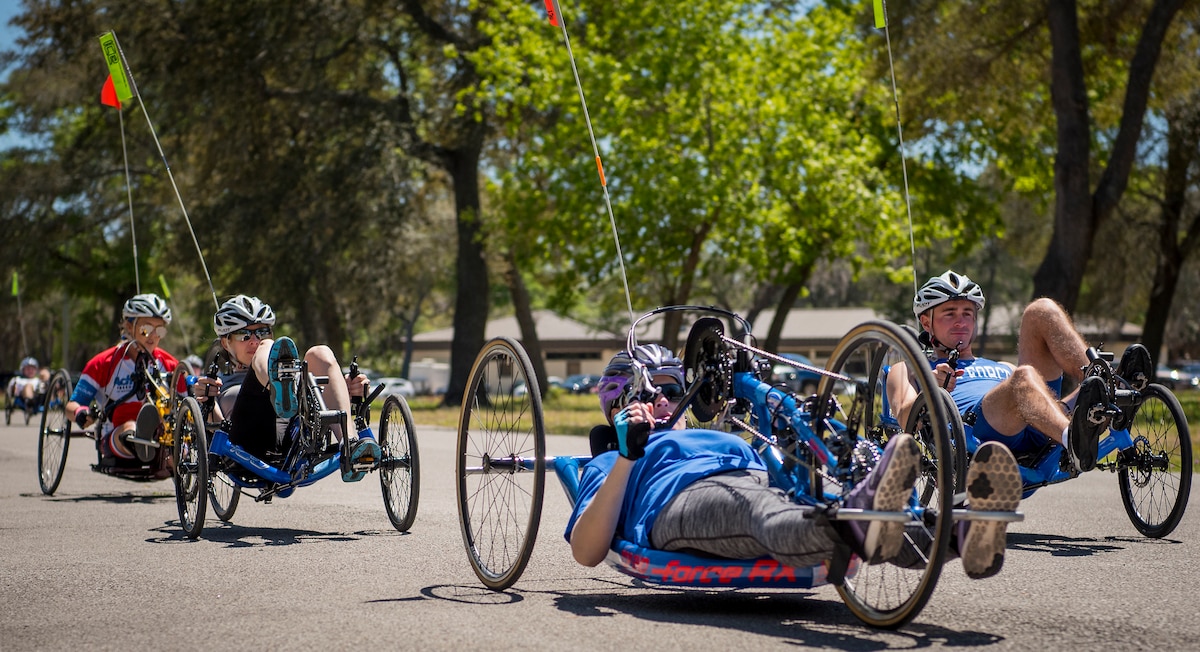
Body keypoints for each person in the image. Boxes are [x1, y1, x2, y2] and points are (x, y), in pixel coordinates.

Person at [566, 344, 1023, 581]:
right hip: (677, 501)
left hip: (752, 477)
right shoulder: (609, 462)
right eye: (650, 394)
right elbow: (587, 551)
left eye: (672, 388)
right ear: (620, 405)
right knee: (759, 511)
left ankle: (963, 534)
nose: (666, 400)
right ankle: (857, 520)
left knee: (818, 499)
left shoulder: (713, 433)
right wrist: (628, 454)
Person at [888, 270, 1154, 475]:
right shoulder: (911, 368)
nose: (961, 321)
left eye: (967, 313)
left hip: (1042, 422)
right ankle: (1072, 438)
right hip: (981, 431)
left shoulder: (1003, 368)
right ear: (926, 322)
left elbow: (1035, 394)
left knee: (1042, 310)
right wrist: (932, 392)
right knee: (1024, 377)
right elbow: (905, 416)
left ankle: (1108, 384)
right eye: (949, 313)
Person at [191, 295, 380, 482]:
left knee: (319, 352)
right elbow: (216, 430)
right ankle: (275, 384)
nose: (254, 340)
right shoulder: (218, 382)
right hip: (246, 443)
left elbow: (324, 396)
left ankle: (349, 444)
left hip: (295, 436)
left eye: (263, 331)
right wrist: (207, 402)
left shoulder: (290, 374)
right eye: (244, 334)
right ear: (226, 343)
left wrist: (347, 390)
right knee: (267, 348)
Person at [66, 293, 181, 470]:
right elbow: (72, 405)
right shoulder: (103, 363)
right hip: (116, 438)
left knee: (176, 438)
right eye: (146, 329)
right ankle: (141, 443)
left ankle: (165, 454)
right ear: (129, 326)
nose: (153, 336)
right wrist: (82, 413)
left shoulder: (170, 364)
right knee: (130, 426)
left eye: (160, 330)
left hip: (162, 438)